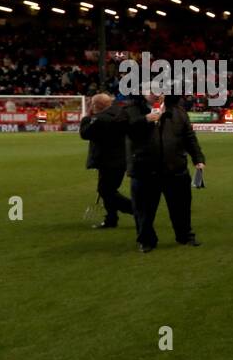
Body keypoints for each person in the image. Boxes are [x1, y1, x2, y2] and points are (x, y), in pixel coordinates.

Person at [125, 94, 205, 253]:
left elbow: (189, 136)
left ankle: (185, 236)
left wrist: (198, 158)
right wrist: (144, 120)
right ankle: (146, 240)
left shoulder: (178, 111)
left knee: (181, 208)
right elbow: (121, 130)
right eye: (150, 89)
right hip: (144, 170)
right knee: (144, 211)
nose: (155, 94)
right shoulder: (131, 110)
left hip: (175, 168)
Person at [78, 93, 133, 229]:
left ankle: (136, 209)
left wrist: (86, 118)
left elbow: (85, 133)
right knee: (108, 190)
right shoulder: (120, 113)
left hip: (108, 160)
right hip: (120, 159)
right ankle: (111, 219)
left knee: (106, 191)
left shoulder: (100, 118)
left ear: (97, 106)